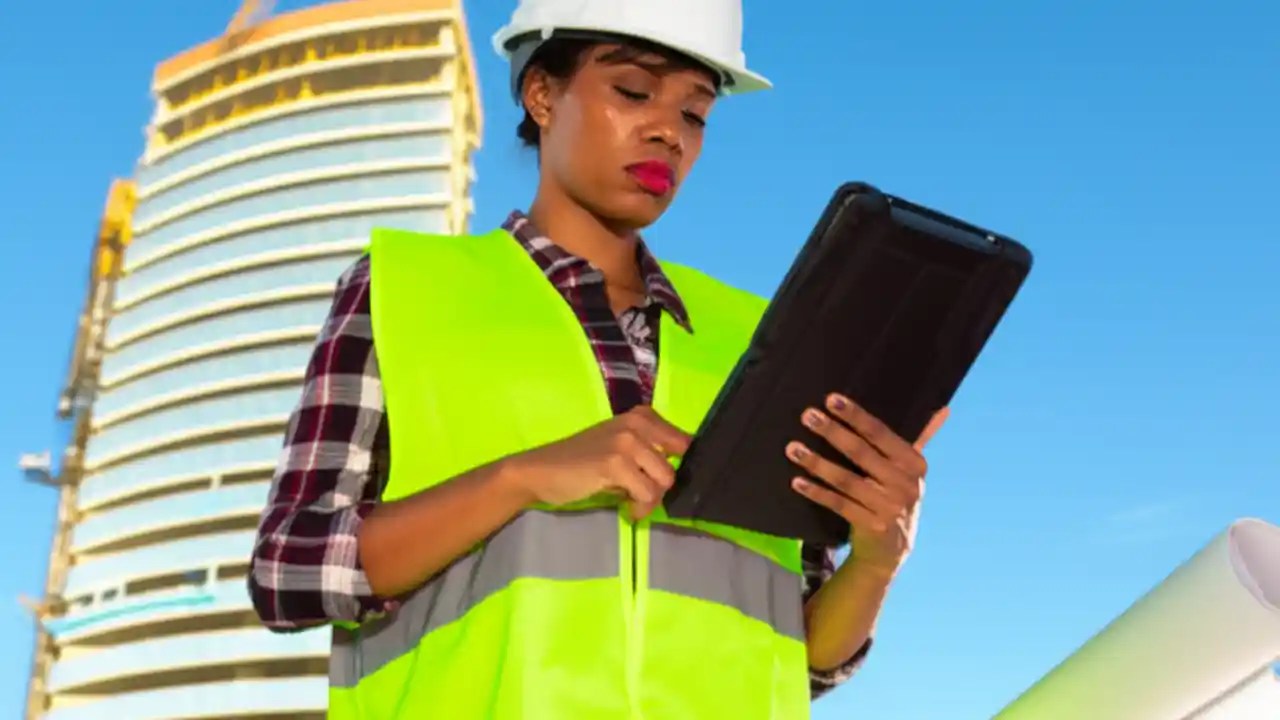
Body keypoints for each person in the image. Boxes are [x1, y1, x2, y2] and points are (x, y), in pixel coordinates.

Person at [248, 1, 948, 718]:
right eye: (634, 91)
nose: (667, 133)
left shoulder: (752, 337)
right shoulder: (403, 289)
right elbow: (288, 572)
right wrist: (522, 478)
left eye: (696, 114)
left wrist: (876, 558)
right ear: (541, 93)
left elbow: (800, 656)